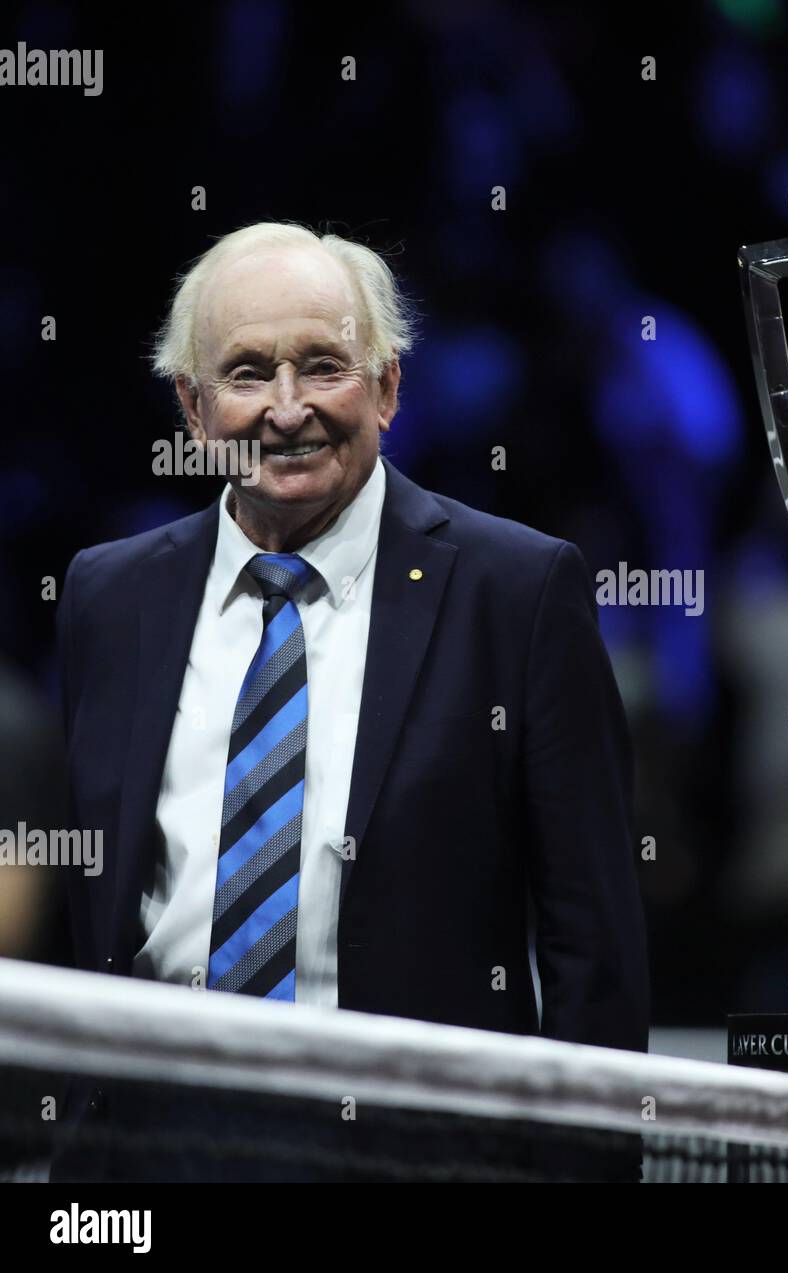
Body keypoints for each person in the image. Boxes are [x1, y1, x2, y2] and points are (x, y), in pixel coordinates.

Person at [49, 221, 649, 1181]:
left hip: (418, 1158)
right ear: (192, 409)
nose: (288, 410)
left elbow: (595, 955)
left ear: (388, 386)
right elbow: (83, 915)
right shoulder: (107, 597)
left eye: (323, 365)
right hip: (146, 1157)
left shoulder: (518, 592)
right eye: (246, 374)